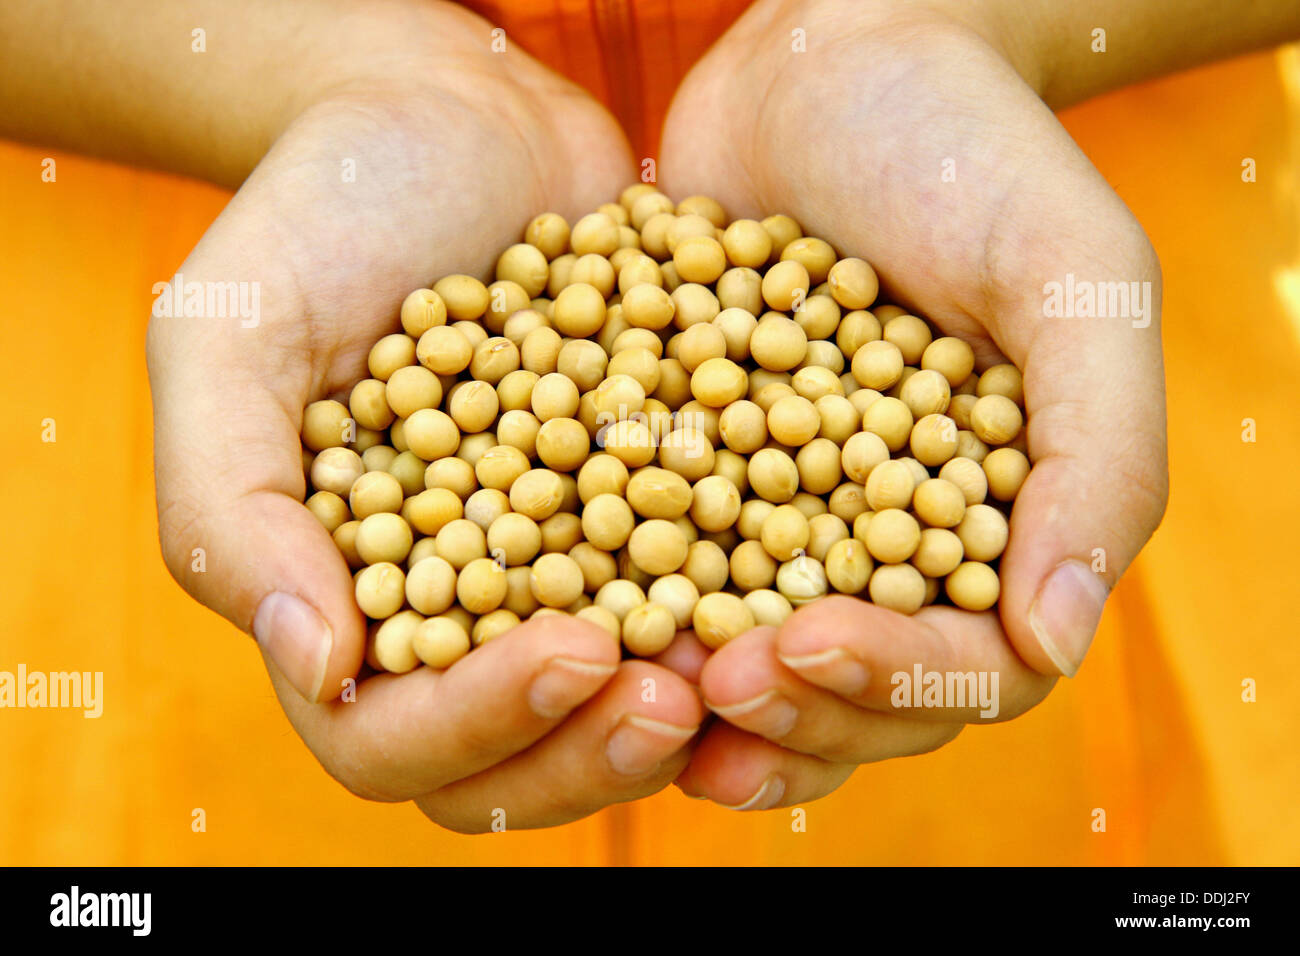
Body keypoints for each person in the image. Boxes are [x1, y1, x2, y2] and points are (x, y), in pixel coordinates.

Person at [3, 0, 1296, 834]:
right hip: (208, 287)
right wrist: (303, 69)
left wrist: (964, 23)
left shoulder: (880, 407)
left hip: (997, 250)